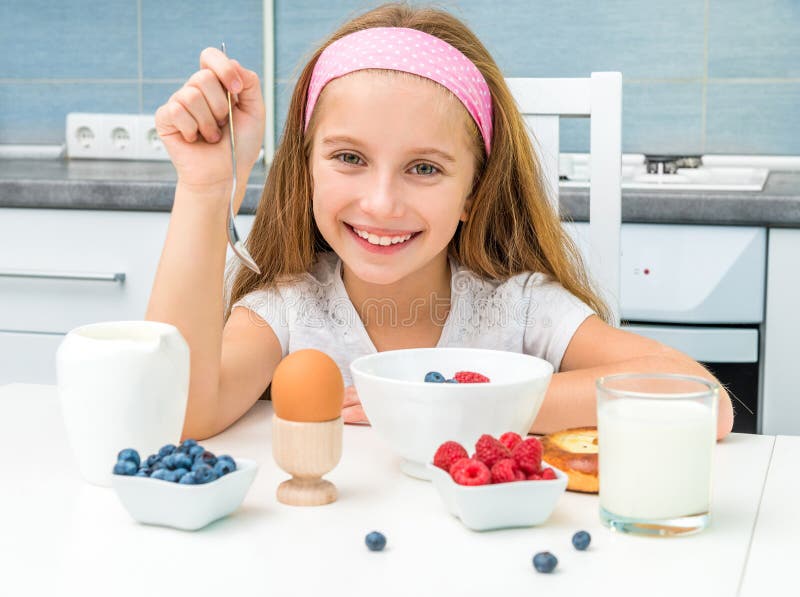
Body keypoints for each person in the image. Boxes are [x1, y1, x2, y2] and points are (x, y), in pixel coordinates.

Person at [146, 2, 734, 441]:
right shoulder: (290, 309)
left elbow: (704, 399)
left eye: (424, 168)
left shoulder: (517, 307)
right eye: (349, 158)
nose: (380, 203)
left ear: (473, 191)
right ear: (306, 169)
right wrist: (205, 187)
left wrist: (454, 405)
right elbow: (176, 414)